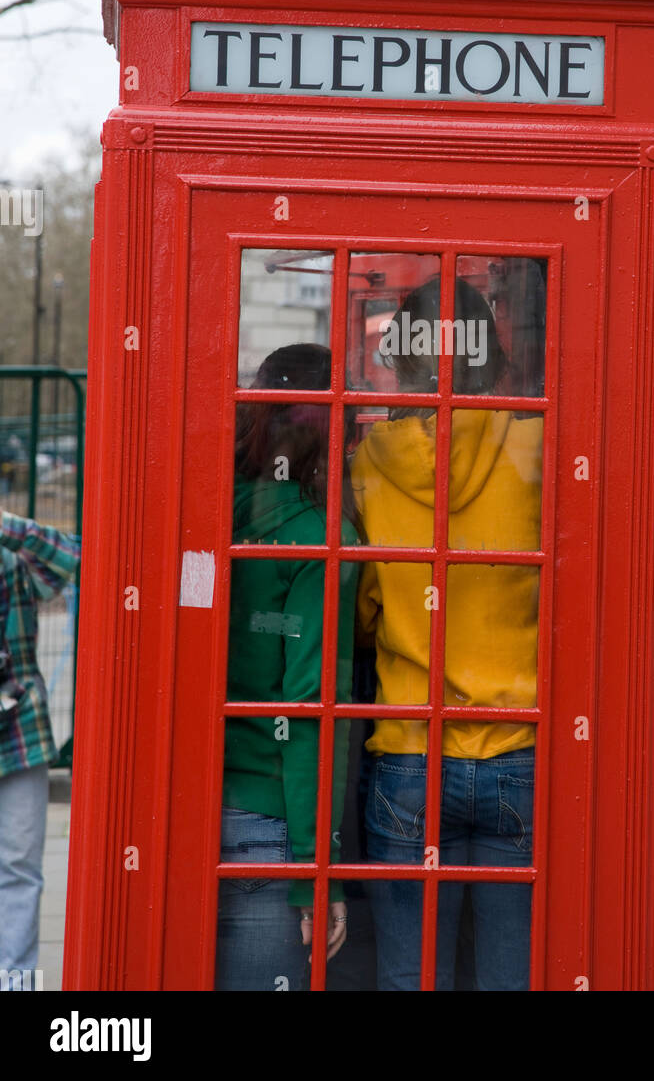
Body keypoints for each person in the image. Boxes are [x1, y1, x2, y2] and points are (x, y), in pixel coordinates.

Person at [350, 276, 543, 991]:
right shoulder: (536, 452)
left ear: (401, 358)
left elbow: (363, 612)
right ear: (489, 352)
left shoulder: (369, 466)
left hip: (408, 754)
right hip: (516, 748)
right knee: (506, 975)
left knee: (408, 976)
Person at [216, 343, 359, 991]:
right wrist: (315, 872)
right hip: (272, 826)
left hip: (197, 808)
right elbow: (308, 712)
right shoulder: (322, 537)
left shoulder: (216, 505)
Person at [0, 511, 80, 990]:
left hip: (19, 734)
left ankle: (15, 982)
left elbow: (74, 559)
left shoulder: (15, 559)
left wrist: (7, 525)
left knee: (19, 864)